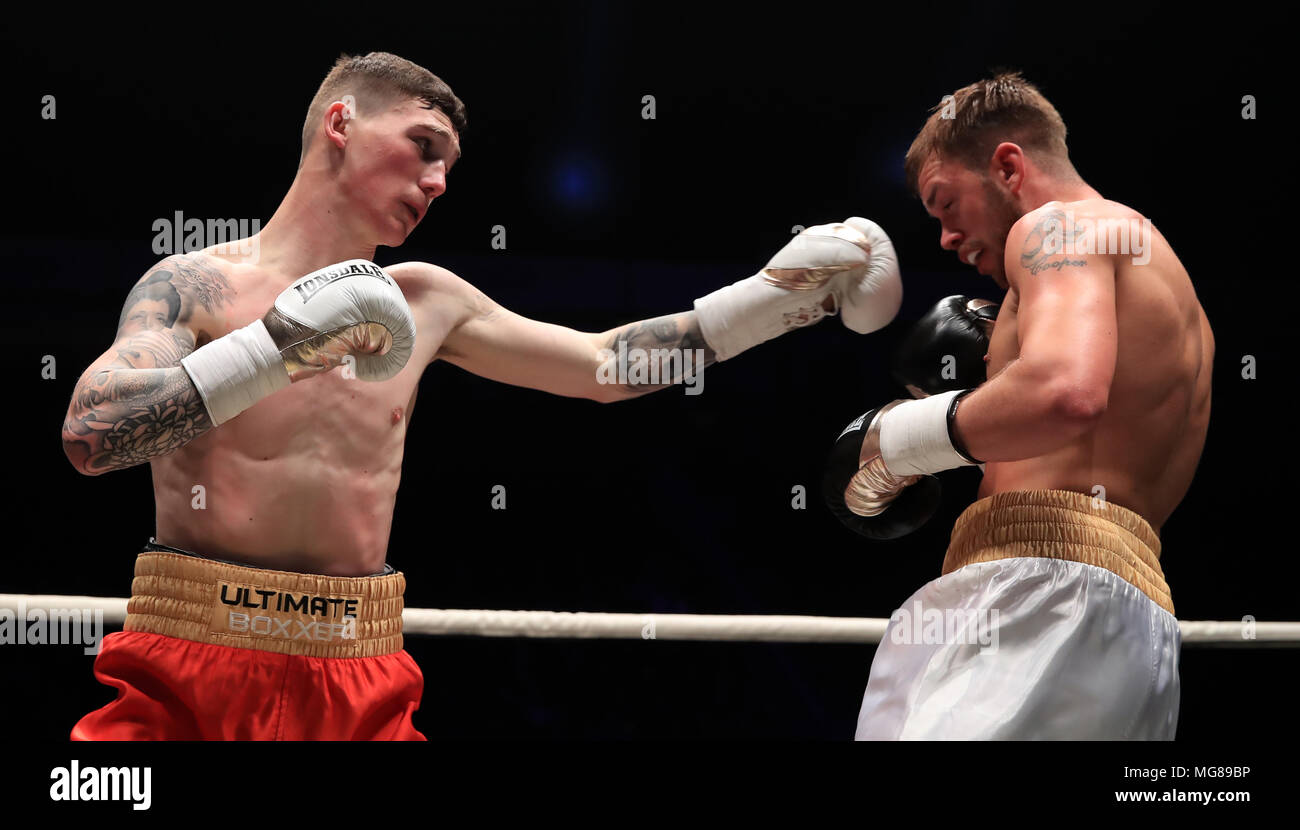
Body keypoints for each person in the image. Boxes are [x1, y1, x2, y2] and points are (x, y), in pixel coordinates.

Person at [61, 51, 903, 740]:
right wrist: (278, 350)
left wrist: (768, 302)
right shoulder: (196, 283)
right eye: (424, 145)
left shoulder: (428, 300)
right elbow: (92, 434)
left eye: (451, 167)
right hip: (190, 660)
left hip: (359, 672)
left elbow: (606, 367)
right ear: (341, 122)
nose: (438, 181)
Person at [823, 72, 1214, 739]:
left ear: (1007, 165)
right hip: (1124, 613)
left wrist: (893, 440)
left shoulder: (1055, 227)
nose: (944, 238)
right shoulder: (1165, 283)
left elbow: (1064, 391)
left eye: (944, 203)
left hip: (1044, 598)